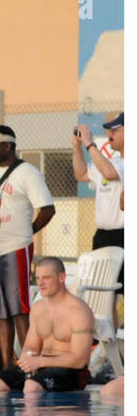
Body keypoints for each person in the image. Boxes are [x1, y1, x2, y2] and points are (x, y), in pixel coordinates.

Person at [0, 125, 56, 372]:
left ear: (8, 145)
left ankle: (29, 365)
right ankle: (7, 367)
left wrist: (28, 232)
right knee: (1, 312)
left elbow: (47, 209)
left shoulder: (27, 173)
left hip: (16, 247)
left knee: (19, 309)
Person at [0, 257, 94, 397]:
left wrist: (39, 362)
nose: (41, 283)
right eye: (38, 278)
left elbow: (80, 360)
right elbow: (30, 346)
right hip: (41, 367)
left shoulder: (79, 311)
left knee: (31, 387)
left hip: (71, 371)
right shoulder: (38, 308)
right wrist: (27, 358)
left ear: (62, 277)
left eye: (46, 278)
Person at [72, 112, 123, 292]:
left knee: (123, 289)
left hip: (123, 235)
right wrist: (77, 147)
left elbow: (109, 173)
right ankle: (110, 321)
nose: (110, 135)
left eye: (115, 130)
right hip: (103, 235)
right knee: (103, 290)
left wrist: (89, 144)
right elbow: (82, 174)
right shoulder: (112, 161)